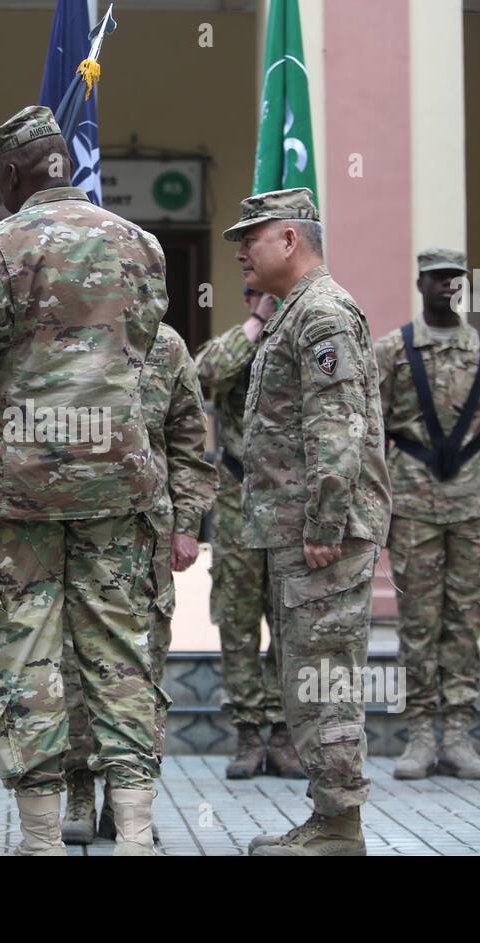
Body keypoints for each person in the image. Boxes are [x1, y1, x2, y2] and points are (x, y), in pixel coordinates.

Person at [0, 106, 169, 856]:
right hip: (118, 486)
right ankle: (138, 833)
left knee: (26, 657)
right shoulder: (142, 245)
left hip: (17, 490)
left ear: (17, 172)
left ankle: (43, 840)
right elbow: (144, 346)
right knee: (121, 651)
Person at [226, 189, 391, 857]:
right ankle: (327, 817)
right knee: (306, 676)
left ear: (290, 239)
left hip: (319, 536)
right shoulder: (296, 313)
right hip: (296, 532)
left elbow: (337, 431)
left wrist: (324, 526)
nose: (241, 248)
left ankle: (339, 827)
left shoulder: (320, 315)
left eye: (254, 236)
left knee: (325, 680)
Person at [60, 321, 218, 844]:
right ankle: (80, 790)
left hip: (145, 543)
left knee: (143, 672)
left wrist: (189, 525)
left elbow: (191, 444)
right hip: (74, 537)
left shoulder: (168, 345)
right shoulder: (63, 336)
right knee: (73, 667)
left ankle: (128, 800)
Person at [374, 248, 480, 780]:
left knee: (464, 622)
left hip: (475, 502)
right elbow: (371, 430)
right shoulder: (393, 350)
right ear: (420, 283)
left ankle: (457, 732)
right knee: (417, 623)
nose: (447, 287)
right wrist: (375, 503)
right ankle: (418, 734)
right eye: (438, 279)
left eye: (455, 279)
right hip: (413, 503)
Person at [195, 287, 305, 780]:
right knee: (237, 620)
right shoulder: (238, 344)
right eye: (258, 295)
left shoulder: (306, 339)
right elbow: (204, 375)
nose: (270, 301)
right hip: (239, 497)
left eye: (274, 295)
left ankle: (284, 734)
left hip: (292, 502)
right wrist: (257, 321)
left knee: (288, 621)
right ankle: (247, 734)